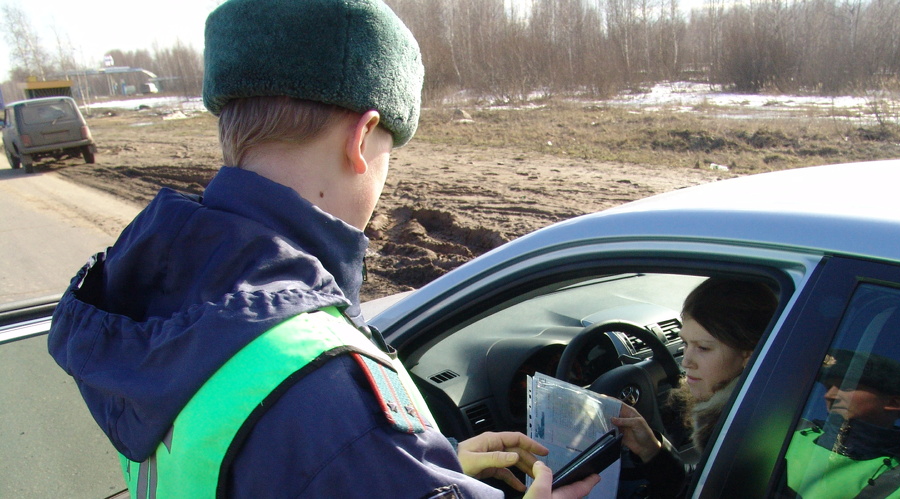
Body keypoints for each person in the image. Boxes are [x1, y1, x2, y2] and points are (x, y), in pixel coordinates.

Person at [46, 0, 598, 497]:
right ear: (361, 139)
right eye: (389, 151)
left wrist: (428, 467)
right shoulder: (328, 387)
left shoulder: (154, 299)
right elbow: (321, 443)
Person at [612, 277, 779, 498]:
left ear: (748, 355)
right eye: (685, 343)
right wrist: (651, 450)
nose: (686, 361)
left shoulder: (749, 440)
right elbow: (695, 485)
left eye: (703, 348)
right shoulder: (759, 405)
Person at [782, 349, 900, 498]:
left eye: (847, 387)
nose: (829, 395)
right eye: (828, 386)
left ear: (895, 403)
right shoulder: (784, 430)